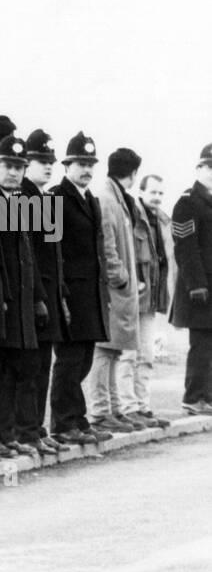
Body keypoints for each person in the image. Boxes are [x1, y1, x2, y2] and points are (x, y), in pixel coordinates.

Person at [0, 135, 50, 455]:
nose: (14, 173)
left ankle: (13, 433)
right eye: (8, 166)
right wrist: (4, 298)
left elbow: (29, 255)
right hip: (3, 302)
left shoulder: (21, 201)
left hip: (23, 302)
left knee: (22, 370)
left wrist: (38, 297)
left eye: (19, 167)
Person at [50, 132, 112, 443]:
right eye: (81, 163)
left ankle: (78, 418)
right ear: (67, 165)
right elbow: (53, 249)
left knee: (84, 359)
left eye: (91, 164)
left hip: (90, 294)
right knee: (69, 360)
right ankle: (63, 424)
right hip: (70, 294)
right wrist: (59, 292)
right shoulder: (56, 198)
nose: (87, 169)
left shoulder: (90, 199)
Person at [87, 147, 146, 434]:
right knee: (105, 350)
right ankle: (100, 410)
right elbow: (107, 245)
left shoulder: (114, 197)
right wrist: (120, 277)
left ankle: (113, 408)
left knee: (113, 351)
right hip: (114, 290)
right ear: (133, 173)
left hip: (119, 290)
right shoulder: (109, 199)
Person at [22, 129, 70, 452]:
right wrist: (39, 297)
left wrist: (61, 294)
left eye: (51, 161)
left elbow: (55, 254)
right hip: (34, 297)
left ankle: (36, 427)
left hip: (50, 296)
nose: (48, 166)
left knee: (42, 365)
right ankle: (26, 428)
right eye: (41, 160)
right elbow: (28, 256)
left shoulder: (46, 199)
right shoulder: (23, 199)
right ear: (26, 162)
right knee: (30, 367)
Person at [169, 144, 212, 415]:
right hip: (199, 288)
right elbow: (185, 245)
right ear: (199, 169)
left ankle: (206, 396)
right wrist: (196, 284)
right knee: (201, 343)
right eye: (210, 167)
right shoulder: (187, 202)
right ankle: (193, 397)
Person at [127, 175, 172, 426]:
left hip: (151, 296)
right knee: (129, 354)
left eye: (161, 193)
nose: (157, 197)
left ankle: (142, 406)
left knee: (147, 355)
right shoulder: (134, 218)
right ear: (141, 191)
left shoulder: (159, 221)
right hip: (135, 293)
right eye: (153, 192)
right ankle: (128, 406)